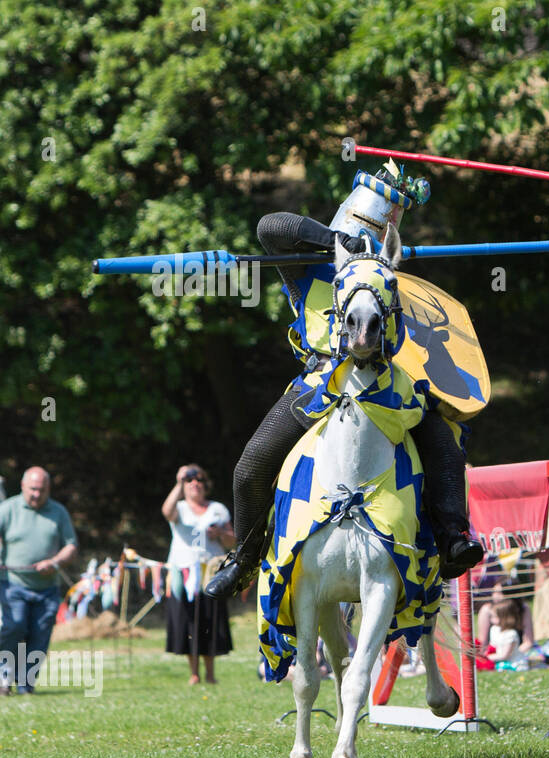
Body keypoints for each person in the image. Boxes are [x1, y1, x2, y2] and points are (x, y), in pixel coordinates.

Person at [204, 164, 483, 601]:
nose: (368, 237)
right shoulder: (303, 265)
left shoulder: (390, 277)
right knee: (250, 467)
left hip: (389, 381)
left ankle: (451, 538)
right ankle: (244, 559)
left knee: (443, 448)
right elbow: (270, 226)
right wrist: (340, 244)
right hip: (320, 382)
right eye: (362, 228)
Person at [0, 467, 78, 695]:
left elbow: (71, 546)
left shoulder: (58, 512)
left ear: (48, 489)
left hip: (47, 588)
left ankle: (26, 685)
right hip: (13, 583)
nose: (36, 494)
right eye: (32, 489)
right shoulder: (8, 509)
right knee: (14, 626)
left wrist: (54, 562)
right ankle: (3, 677)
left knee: (39, 634)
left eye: (41, 490)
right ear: (23, 486)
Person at [162, 464, 235, 684]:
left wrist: (220, 533)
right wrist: (178, 482)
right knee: (187, 621)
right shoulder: (180, 508)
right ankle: (194, 674)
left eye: (199, 479)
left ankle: (211, 674)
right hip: (182, 574)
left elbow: (233, 540)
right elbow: (167, 513)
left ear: (206, 484)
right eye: (190, 480)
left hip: (211, 571)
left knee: (210, 621)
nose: (195, 483)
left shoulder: (218, 509)